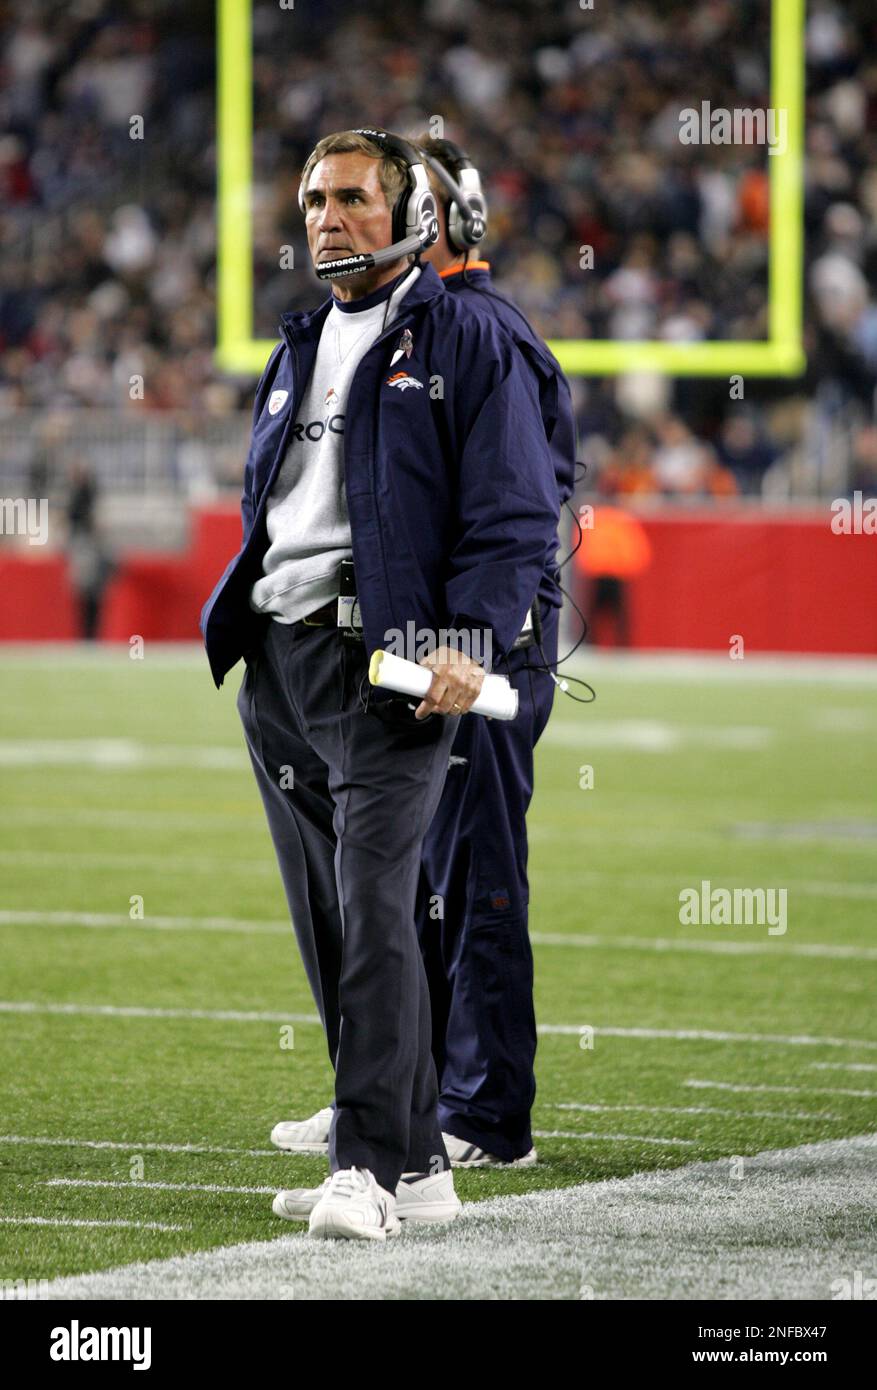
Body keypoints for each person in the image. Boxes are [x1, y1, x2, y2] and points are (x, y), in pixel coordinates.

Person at [200, 129, 559, 1240]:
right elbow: (282, 510)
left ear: (415, 215)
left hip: (384, 665)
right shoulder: (300, 339)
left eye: (353, 198)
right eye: (313, 199)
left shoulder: (469, 336)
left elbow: (513, 515)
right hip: (282, 660)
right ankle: (417, 1164)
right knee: (333, 920)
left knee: (376, 913)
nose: (325, 217)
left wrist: (469, 638)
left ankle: (365, 1166)